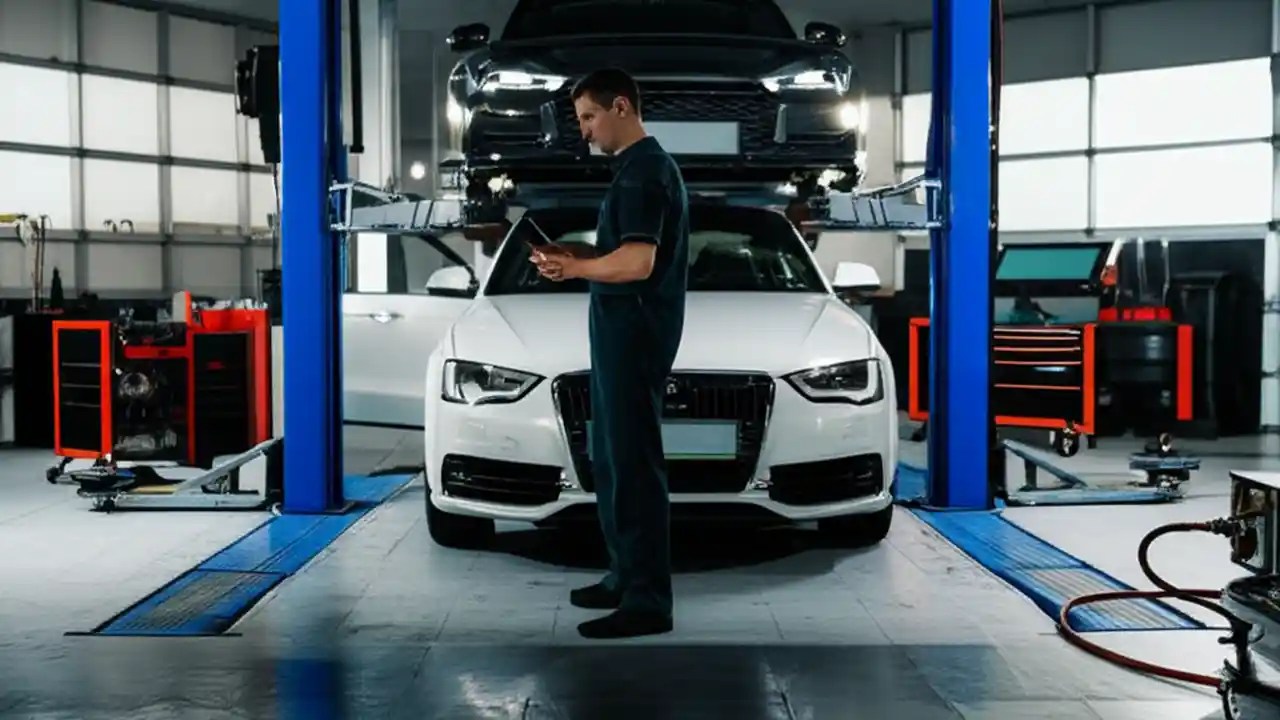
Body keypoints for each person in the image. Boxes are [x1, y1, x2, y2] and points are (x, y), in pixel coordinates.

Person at [530, 67, 689, 639]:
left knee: (635, 467)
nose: (586, 132)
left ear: (621, 106)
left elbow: (637, 263)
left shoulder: (644, 174)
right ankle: (624, 575)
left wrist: (574, 267)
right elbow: (617, 251)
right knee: (613, 459)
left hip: (636, 338)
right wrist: (571, 254)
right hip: (620, 337)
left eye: (589, 118)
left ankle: (648, 602)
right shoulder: (636, 171)